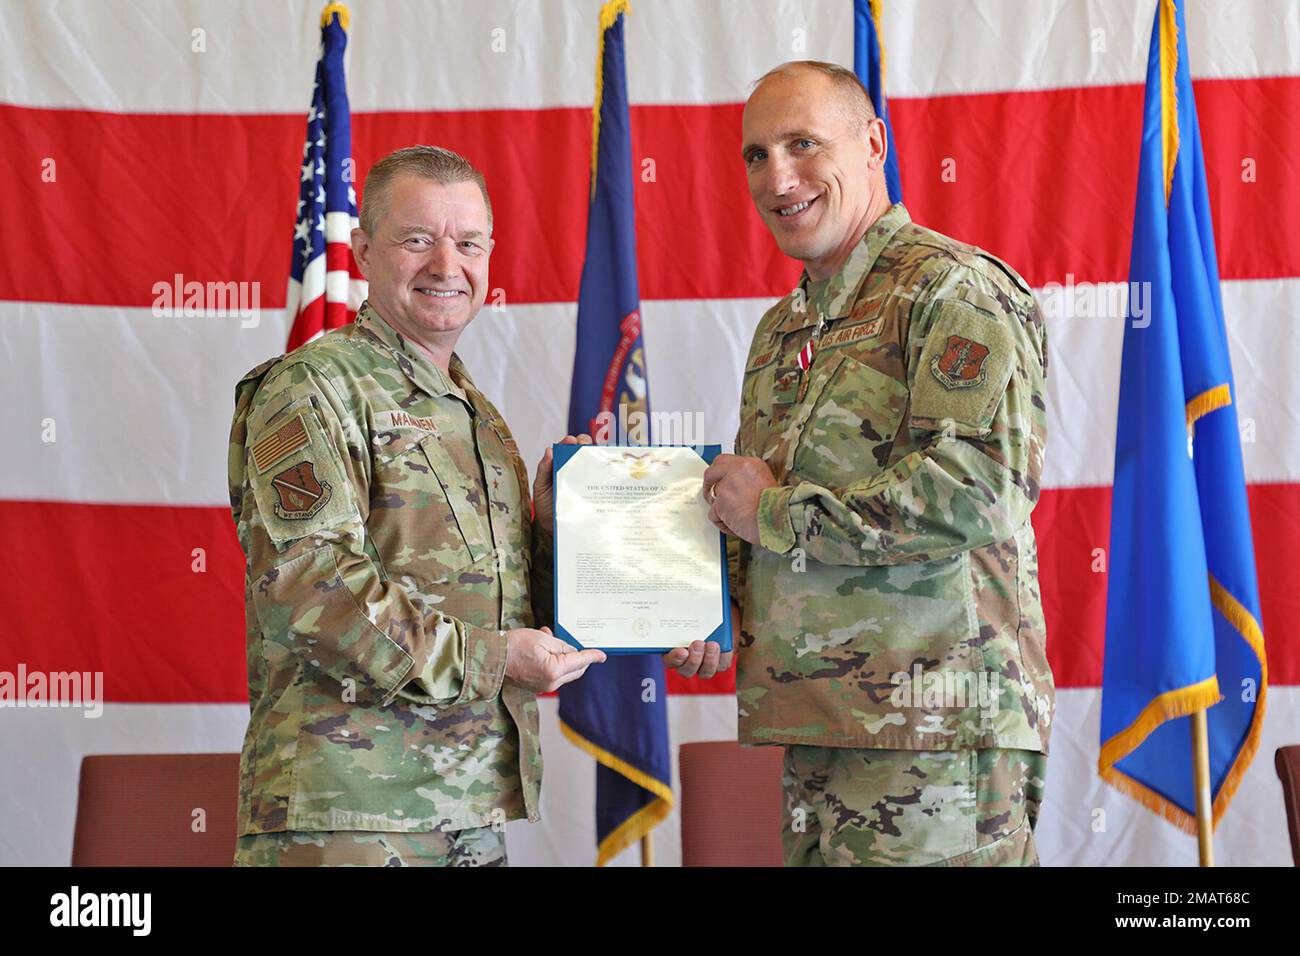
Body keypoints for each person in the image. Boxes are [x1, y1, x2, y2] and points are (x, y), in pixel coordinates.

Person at [667, 61, 1054, 866]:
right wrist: (711, 604)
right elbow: (765, 514)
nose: (779, 176)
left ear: (873, 143)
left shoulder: (951, 290)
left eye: (804, 144)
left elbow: (981, 488)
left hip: (937, 731)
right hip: (820, 723)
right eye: (756, 155)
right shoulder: (784, 330)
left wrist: (772, 514)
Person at [227, 145, 604, 867]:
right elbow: (314, 590)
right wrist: (495, 659)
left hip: (462, 808)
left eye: (468, 243)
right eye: (417, 240)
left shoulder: (475, 414)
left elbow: (484, 594)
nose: (446, 265)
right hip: (348, 813)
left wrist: (553, 535)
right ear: (365, 252)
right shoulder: (315, 388)